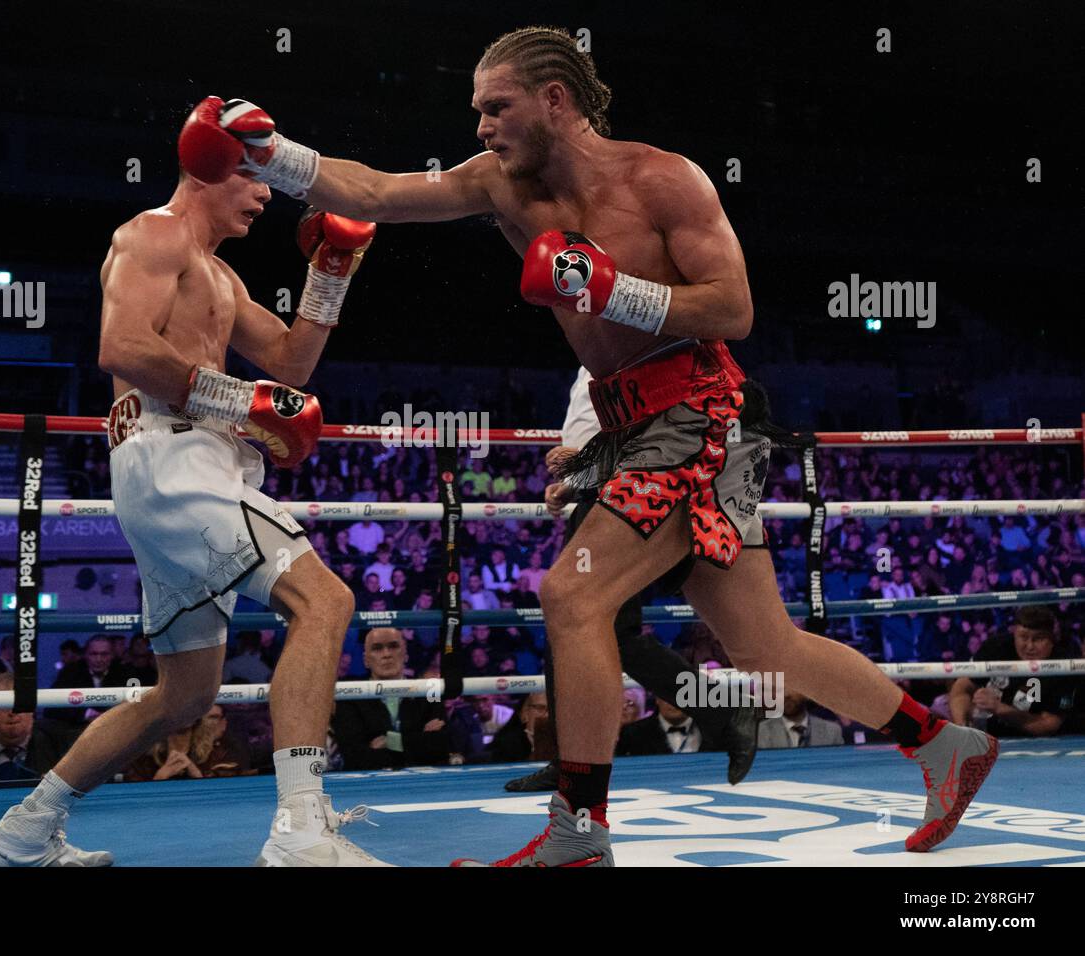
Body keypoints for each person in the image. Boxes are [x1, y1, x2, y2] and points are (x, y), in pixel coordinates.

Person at [195, 25, 998, 863]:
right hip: (623, 426)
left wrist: (613, 289)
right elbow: (377, 190)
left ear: (556, 100)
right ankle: (945, 746)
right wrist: (268, 149)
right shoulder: (499, 185)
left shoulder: (664, 179)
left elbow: (733, 310)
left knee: (572, 597)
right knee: (765, 645)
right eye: (476, 111)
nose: (480, 127)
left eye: (494, 107)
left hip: (697, 411)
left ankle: (579, 833)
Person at [0, 139, 387, 868]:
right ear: (212, 167)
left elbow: (290, 364)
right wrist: (239, 398)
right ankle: (299, 829)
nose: (267, 194)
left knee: (186, 695)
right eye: (257, 176)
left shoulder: (219, 274)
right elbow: (121, 346)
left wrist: (330, 274)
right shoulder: (154, 232)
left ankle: (21, 832)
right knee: (324, 602)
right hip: (175, 460)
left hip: (186, 465)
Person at [503, 364, 759, 793]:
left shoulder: (636, 346)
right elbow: (604, 428)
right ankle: (569, 760)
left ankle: (722, 713)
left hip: (633, 496)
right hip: (605, 495)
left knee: (595, 625)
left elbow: (653, 429)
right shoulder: (598, 352)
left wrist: (585, 466)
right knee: (572, 625)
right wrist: (575, 482)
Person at [948, 606, 1079, 738]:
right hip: (990, 736)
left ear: (1052, 640)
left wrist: (998, 708)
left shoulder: (1063, 665)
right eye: (1023, 637)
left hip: (1041, 742)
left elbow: (1049, 724)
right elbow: (962, 688)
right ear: (1014, 634)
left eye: (1038, 639)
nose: (1030, 646)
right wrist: (962, 726)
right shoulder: (996, 647)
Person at [330, 627, 449, 769]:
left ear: (406, 655)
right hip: (370, 784)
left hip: (424, 781)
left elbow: (440, 746)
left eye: (393, 646)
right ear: (366, 660)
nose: (386, 654)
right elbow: (356, 756)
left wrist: (391, 741)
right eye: (377, 648)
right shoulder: (349, 694)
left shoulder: (430, 689)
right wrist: (418, 742)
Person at [757, 692, 845, 749]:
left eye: (791, 687)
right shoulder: (761, 732)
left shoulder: (832, 731)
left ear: (807, 694)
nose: (786, 695)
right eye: (779, 690)